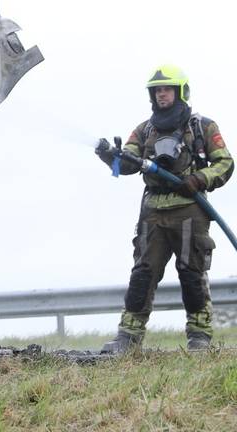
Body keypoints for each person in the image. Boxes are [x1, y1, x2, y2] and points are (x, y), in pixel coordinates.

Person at [97, 65, 233, 352]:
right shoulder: (144, 130)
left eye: (167, 89)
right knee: (143, 271)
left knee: (191, 272)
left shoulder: (203, 127)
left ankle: (199, 337)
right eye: (157, 90)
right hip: (152, 211)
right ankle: (128, 336)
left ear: (180, 91)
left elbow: (225, 162)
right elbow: (129, 163)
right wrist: (110, 157)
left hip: (190, 210)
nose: (161, 94)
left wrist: (198, 179)